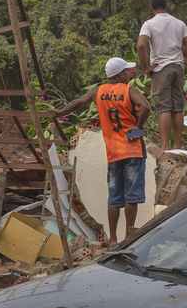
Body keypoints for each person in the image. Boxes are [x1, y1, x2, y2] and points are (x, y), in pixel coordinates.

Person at [57, 57, 151, 245]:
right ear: (120, 74)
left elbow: (79, 102)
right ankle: (129, 236)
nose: (129, 73)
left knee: (115, 197)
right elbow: (146, 107)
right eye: (127, 71)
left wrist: (58, 113)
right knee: (132, 197)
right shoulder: (128, 90)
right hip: (132, 151)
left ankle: (114, 239)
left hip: (114, 153)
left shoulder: (98, 91)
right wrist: (137, 127)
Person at [136, 0, 187, 150]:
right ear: (166, 5)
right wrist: (181, 53)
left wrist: (146, 67)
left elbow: (141, 45)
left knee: (164, 107)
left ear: (152, 7)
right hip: (178, 67)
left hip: (161, 68)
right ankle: (178, 145)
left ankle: (165, 146)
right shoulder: (179, 23)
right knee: (178, 107)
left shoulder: (149, 24)